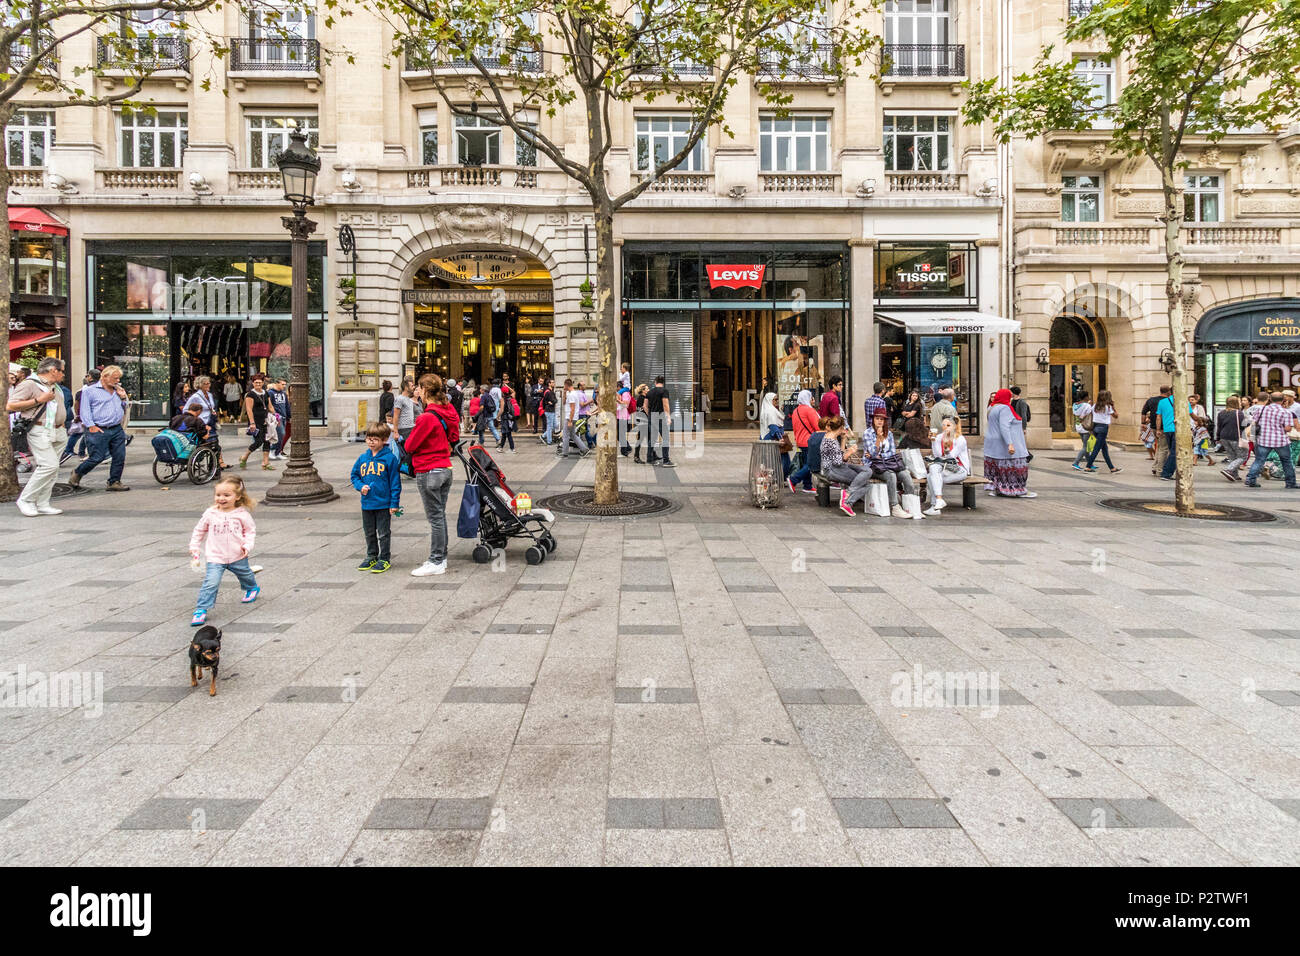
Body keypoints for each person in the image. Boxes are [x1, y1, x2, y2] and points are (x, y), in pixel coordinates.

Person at [404, 374, 460, 576]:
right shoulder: (448, 411)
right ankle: (441, 558)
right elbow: (454, 436)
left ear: (425, 390)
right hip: (445, 468)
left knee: (435, 517)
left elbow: (410, 445)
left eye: (418, 387)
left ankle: (436, 560)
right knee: (440, 515)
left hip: (428, 469)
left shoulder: (426, 417)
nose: (416, 391)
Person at [189, 475, 260, 627]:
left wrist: (247, 546)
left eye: (227, 495)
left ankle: (251, 587)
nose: (221, 498)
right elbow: (199, 530)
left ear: (237, 497)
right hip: (216, 556)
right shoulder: (210, 513)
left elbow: (250, 531)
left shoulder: (242, 515)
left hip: (237, 554)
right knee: (211, 583)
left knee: (245, 574)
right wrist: (194, 546)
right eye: (218, 495)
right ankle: (201, 609)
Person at [9, 357, 68, 517]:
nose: (64, 374)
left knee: (52, 470)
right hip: (39, 429)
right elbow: (11, 405)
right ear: (53, 370)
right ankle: (26, 499)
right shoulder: (30, 384)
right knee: (49, 466)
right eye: (62, 371)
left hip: (57, 430)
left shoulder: (55, 386)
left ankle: (43, 502)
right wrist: (38, 400)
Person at [67, 364, 130, 492]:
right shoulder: (89, 391)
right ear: (105, 377)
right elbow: (85, 410)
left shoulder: (118, 390)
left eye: (118, 378)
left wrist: (123, 398)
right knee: (97, 457)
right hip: (99, 428)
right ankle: (78, 472)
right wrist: (91, 426)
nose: (118, 381)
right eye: (115, 378)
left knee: (119, 456)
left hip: (116, 428)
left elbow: (124, 407)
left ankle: (114, 481)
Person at [351, 422, 402, 573]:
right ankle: (371, 555)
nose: (371, 442)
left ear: (385, 440)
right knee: (369, 532)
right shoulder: (362, 458)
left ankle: (384, 558)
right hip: (367, 503)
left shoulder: (390, 458)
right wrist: (360, 486)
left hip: (383, 503)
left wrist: (394, 503)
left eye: (375, 439)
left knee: (384, 533)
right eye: (369, 438)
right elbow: (354, 475)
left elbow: (395, 483)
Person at [863, 409, 917, 518]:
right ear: (873, 420)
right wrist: (878, 439)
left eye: (881, 419)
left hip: (890, 464)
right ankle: (895, 507)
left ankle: (911, 506)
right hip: (874, 466)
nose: (879, 421)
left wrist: (880, 456)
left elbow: (892, 452)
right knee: (891, 475)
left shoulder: (889, 434)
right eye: (877, 418)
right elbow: (873, 453)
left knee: (905, 475)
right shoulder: (867, 433)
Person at [819, 416, 875, 517]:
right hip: (833, 470)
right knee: (865, 484)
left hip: (837, 467)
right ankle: (847, 500)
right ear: (840, 428)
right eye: (843, 428)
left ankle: (848, 495)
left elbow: (839, 455)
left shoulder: (831, 437)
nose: (845, 430)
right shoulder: (831, 441)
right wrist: (849, 452)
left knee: (867, 471)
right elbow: (838, 462)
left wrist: (844, 439)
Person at [984, 388, 1035, 498]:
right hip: (1006, 443)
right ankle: (1016, 490)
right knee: (1014, 468)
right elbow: (1004, 426)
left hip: (993, 443)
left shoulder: (992, 407)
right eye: (1009, 396)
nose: (1011, 398)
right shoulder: (1004, 408)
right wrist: (1010, 443)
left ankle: (999, 489)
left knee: (999, 468)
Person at [1244, 392, 1298, 489]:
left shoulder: (1261, 410)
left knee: (1259, 460)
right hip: (1281, 441)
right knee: (1287, 461)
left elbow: (1254, 422)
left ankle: (1250, 479)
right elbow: (1288, 429)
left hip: (1264, 439)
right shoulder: (1286, 412)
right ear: (1282, 400)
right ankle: (1290, 483)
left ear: (1270, 399)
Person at [925, 414, 971, 515]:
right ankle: (939, 500)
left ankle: (935, 506)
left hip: (959, 469)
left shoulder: (960, 439)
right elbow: (937, 456)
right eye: (944, 425)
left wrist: (946, 449)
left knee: (931, 477)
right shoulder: (939, 437)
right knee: (933, 468)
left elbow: (951, 457)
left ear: (954, 426)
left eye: (948, 425)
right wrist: (933, 441)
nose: (945, 427)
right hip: (944, 468)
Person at [785, 389, 821, 493]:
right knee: (811, 464)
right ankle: (794, 479)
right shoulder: (809, 410)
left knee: (806, 462)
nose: (812, 399)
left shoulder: (796, 411)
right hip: (810, 441)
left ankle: (807, 485)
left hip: (800, 441)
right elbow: (818, 427)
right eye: (811, 397)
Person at [190, 374, 227, 468]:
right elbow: (186, 410)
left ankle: (216, 465)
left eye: (208, 383)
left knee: (215, 445)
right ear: (199, 385)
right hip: (203, 424)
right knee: (212, 445)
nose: (208, 385)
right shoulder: (196, 396)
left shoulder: (209, 395)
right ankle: (215, 467)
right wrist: (197, 418)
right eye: (205, 384)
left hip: (211, 422)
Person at [238, 375, 274, 471]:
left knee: (267, 440)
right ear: (253, 383)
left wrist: (276, 416)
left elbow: (270, 406)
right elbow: (249, 409)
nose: (258, 384)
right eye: (256, 382)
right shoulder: (250, 394)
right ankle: (244, 456)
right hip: (255, 420)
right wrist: (252, 423)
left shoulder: (266, 393)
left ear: (263, 383)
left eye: (260, 382)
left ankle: (265, 463)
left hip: (266, 420)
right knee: (259, 441)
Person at [60, 370, 97, 464]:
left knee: (80, 434)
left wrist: (78, 415)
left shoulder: (80, 391)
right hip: (83, 416)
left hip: (80, 416)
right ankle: (72, 451)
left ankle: (70, 451)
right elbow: (73, 403)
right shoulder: (78, 391)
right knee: (82, 434)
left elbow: (74, 404)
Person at [1083, 389, 1122, 474]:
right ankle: (1088, 466)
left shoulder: (1095, 406)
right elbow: (1116, 416)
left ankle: (1112, 468)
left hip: (1095, 428)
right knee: (1096, 449)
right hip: (1103, 428)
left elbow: (1091, 413)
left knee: (1104, 448)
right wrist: (1113, 407)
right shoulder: (1108, 407)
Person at [1217, 395, 1248, 482]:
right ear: (1236, 403)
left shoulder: (1221, 413)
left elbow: (1219, 426)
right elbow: (1244, 425)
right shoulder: (1239, 413)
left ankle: (1235, 475)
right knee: (1243, 456)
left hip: (1224, 437)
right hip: (1235, 436)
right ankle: (1228, 469)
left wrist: (1217, 437)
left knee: (1232, 456)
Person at [646, 374, 674, 467]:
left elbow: (645, 406)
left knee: (652, 439)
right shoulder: (664, 391)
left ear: (655, 382)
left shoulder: (649, 392)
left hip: (652, 416)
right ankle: (666, 460)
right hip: (661, 416)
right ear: (663, 382)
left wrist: (649, 414)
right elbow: (665, 405)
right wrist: (668, 417)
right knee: (665, 438)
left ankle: (649, 459)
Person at [1145, 385, 1171, 475]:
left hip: (1154, 427)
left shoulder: (1151, 400)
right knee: (1164, 449)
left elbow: (1143, 412)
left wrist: (1143, 424)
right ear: (1168, 392)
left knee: (1159, 447)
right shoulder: (1166, 401)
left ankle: (1155, 467)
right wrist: (1159, 428)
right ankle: (1160, 469)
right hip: (1164, 428)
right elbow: (1159, 417)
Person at [1157, 388, 1179, 481]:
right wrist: (1199, 419)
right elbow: (1191, 414)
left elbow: (1158, 416)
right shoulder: (1182, 402)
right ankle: (1166, 473)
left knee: (1172, 452)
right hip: (1177, 429)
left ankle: (1168, 472)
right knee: (1174, 452)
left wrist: (1158, 429)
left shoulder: (1162, 402)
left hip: (1167, 430)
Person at [268, 377, 291, 459]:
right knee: (280, 433)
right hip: (276, 417)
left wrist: (289, 416)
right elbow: (269, 405)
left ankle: (277, 453)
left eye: (285, 384)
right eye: (282, 384)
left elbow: (287, 405)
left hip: (284, 416)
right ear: (277, 383)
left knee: (281, 435)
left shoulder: (283, 393)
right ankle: (272, 450)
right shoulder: (270, 393)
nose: (284, 386)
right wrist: (274, 415)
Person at [1070, 390, 1094, 470]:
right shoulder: (1087, 405)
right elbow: (1089, 413)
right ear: (1086, 397)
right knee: (1086, 447)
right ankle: (1076, 463)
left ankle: (1089, 463)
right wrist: (1090, 405)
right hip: (1086, 427)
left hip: (1078, 426)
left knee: (1086, 446)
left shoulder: (1075, 405)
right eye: (1088, 395)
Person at [390, 378, 418, 444]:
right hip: (403, 429)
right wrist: (396, 432)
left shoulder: (409, 399)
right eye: (412, 386)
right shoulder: (399, 399)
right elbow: (396, 416)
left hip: (411, 427)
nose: (413, 387)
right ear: (406, 387)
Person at [631, 383, 650, 463]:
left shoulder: (640, 398)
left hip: (641, 420)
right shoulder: (642, 398)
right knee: (642, 438)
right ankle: (636, 456)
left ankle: (653, 454)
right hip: (643, 420)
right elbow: (643, 409)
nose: (648, 390)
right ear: (643, 391)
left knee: (649, 438)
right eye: (647, 389)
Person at [497, 383, 517, 452]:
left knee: (507, 433)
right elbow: (514, 391)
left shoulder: (503, 399)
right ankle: (501, 447)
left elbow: (501, 410)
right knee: (504, 433)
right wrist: (507, 386)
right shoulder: (511, 397)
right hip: (510, 418)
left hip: (505, 418)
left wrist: (497, 416)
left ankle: (512, 448)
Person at [617, 385, 634, 456]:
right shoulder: (621, 394)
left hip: (623, 417)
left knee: (620, 435)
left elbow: (625, 405)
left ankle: (628, 448)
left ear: (619, 387)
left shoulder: (625, 394)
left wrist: (617, 400)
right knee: (621, 435)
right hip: (620, 417)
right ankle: (624, 451)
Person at [541, 378, 558, 445]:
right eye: (552, 382)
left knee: (555, 426)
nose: (554, 383)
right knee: (550, 426)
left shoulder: (551, 391)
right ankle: (549, 441)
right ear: (549, 384)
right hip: (549, 411)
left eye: (554, 382)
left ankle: (543, 436)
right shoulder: (548, 392)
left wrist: (553, 402)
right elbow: (553, 401)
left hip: (552, 410)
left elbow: (555, 400)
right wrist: (551, 402)